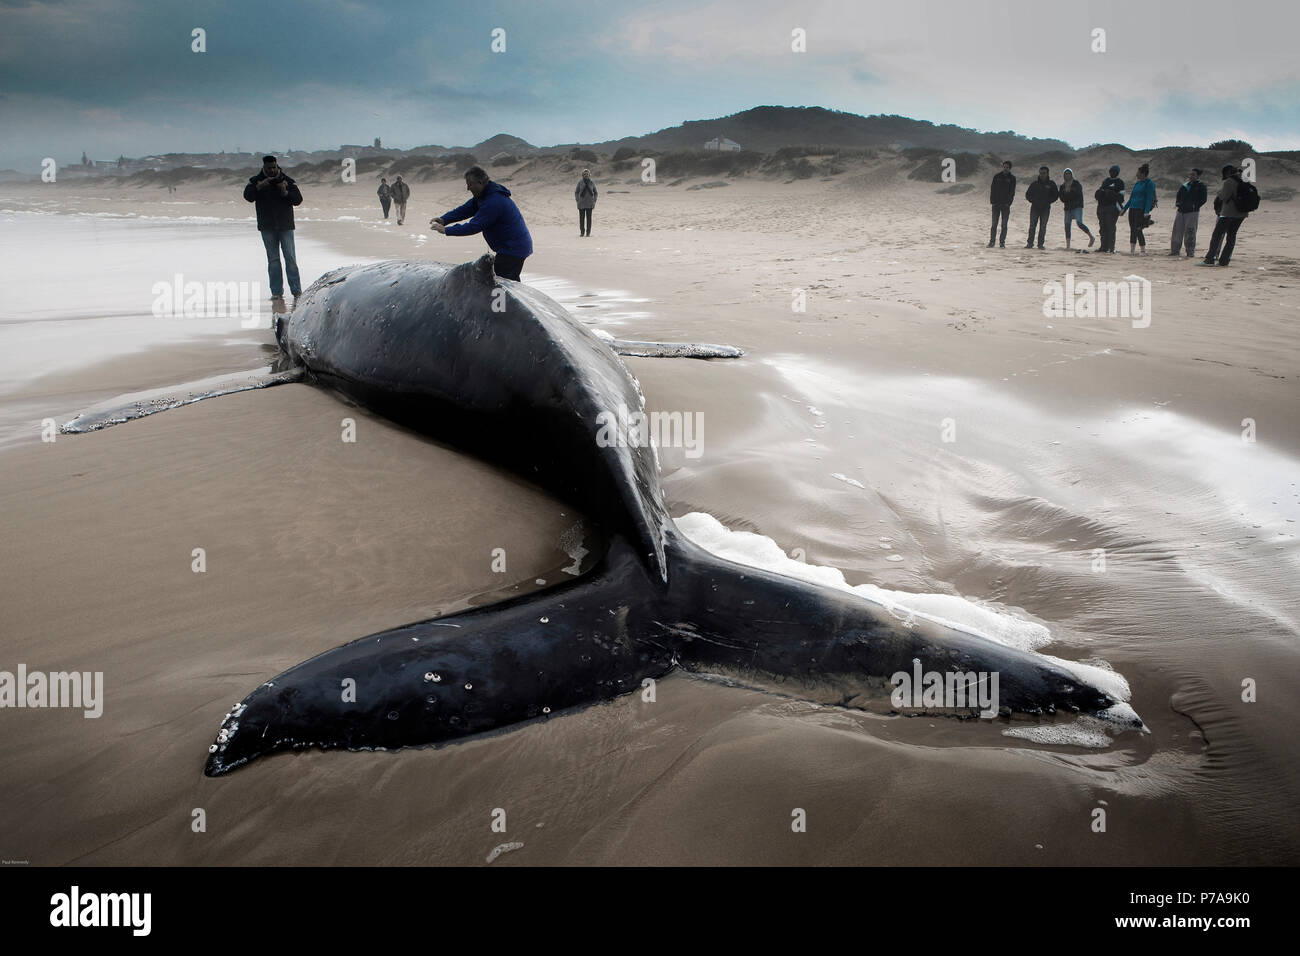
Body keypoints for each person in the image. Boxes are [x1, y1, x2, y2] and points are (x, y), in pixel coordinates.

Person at [431, 165, 534, 280]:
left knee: (500, 284)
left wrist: (446, 230)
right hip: (512, 247)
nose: (468, 188)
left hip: (513, 248)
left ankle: (506, 298)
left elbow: (474, 226)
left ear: (480, 183)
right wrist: (444, 219)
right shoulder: (484, 196)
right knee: (508, 282)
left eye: (470, 184)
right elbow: (465, 210)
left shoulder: (494, 201)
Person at [242, 155, 303, 301]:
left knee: (290, 258)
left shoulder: (287, 181)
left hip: (285, 225)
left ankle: (296, 291)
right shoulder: (255, 181)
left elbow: (298, 200)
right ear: (264, 167)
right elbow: (248, 196)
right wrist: (259, 187)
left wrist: (285, 192)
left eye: (274, 167)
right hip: (267, 226)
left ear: (277, 166)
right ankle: (276, 292)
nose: (271, 170)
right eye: (269, 168)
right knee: (273, 260)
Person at [1200, 165, 1248, 267]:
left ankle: (1210, 259)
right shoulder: (1244, 180)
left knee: (1217, 235)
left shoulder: (1229, 182)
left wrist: (1219, 192)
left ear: (1227, 173)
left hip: (1228, 213)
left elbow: (1223, 197)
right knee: (1231, 236)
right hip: (1241, 214)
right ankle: (1224, 261)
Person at [1122, 163, 1156, 255]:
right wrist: (1124, 209)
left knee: (1138, 229)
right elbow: (1131, 198)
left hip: (1140, 209)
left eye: (1138, 172)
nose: (1136, 174)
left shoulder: (1149, 183)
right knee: (1132, 229)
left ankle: (1142, 250)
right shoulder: (1137, 183)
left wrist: (1146, 211)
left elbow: (1149, 198)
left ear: (1143, 173)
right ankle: (1132, 250)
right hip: (1132, 209)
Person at [1058, 168, 1094, 250]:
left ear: (1071, 174)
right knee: (1067, 225)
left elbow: (1077, 195)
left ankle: (1091, 237)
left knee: (1079, 223)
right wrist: (1067, 193)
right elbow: (1062, 198)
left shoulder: (1076, 184)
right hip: (1067, 208)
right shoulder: (1062, 186)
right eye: (1065, 174)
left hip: (1077, 207)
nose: (1067, 175)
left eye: (1068, 173)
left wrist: (1068, 193)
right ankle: (1068, 246)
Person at [1024, 166, 1058, 249]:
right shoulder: (1034, 184)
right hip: (1035, 208)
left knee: (1043, 227)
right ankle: (1030, 243)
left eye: (1044, 173)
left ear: (1047, 173)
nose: (1042, 175)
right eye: (1041, 173)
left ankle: (1040, 244)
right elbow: (1028, 194)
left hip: (1045, 208)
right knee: (1032, 226)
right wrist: (1033, 201)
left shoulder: (1051, 184)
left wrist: (1048, 201)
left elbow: (1056, 195)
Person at [1095, 165, 1125, 253]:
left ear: (1117, 172)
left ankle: (1111, 248)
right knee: (1102, 228)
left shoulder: (1120, 183)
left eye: (1114, 171)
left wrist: (1110, 193)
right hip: (1102, 207)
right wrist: (1101, 193)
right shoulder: (1106, 181)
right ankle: (1103, 247)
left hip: (1112, 208)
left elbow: (1121, 198)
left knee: (1110, 227)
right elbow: (1100, 192)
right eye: (1111, 171)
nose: (1112, 173)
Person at [988, 160, 1015, 248]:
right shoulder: (997, 176)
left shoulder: (1012, 178)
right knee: (994, 224)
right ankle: (992, 242)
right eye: (1004, 167)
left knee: (1004, 225)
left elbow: (1012, 192)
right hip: (996, 204)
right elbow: (993, 189)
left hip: (1005, 205)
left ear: (1010, 168)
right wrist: (992, 201)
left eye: (1007, 167)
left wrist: (1008, 203)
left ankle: (1002, 242)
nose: (1005, 168)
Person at [575, 169, 598, 237]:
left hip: (590, 203)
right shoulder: (580, 182)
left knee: (589, 219)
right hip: (581, 203)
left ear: (589, 175)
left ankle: (588, 233)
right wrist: (577, 199)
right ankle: (582, 232)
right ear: (582, 175)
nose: (586, 175)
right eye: (584, 174)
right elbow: (576, 192)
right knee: (581, 219)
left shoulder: (592, 182)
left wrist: (594, 200)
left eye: (587, 174)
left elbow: (595, 192)